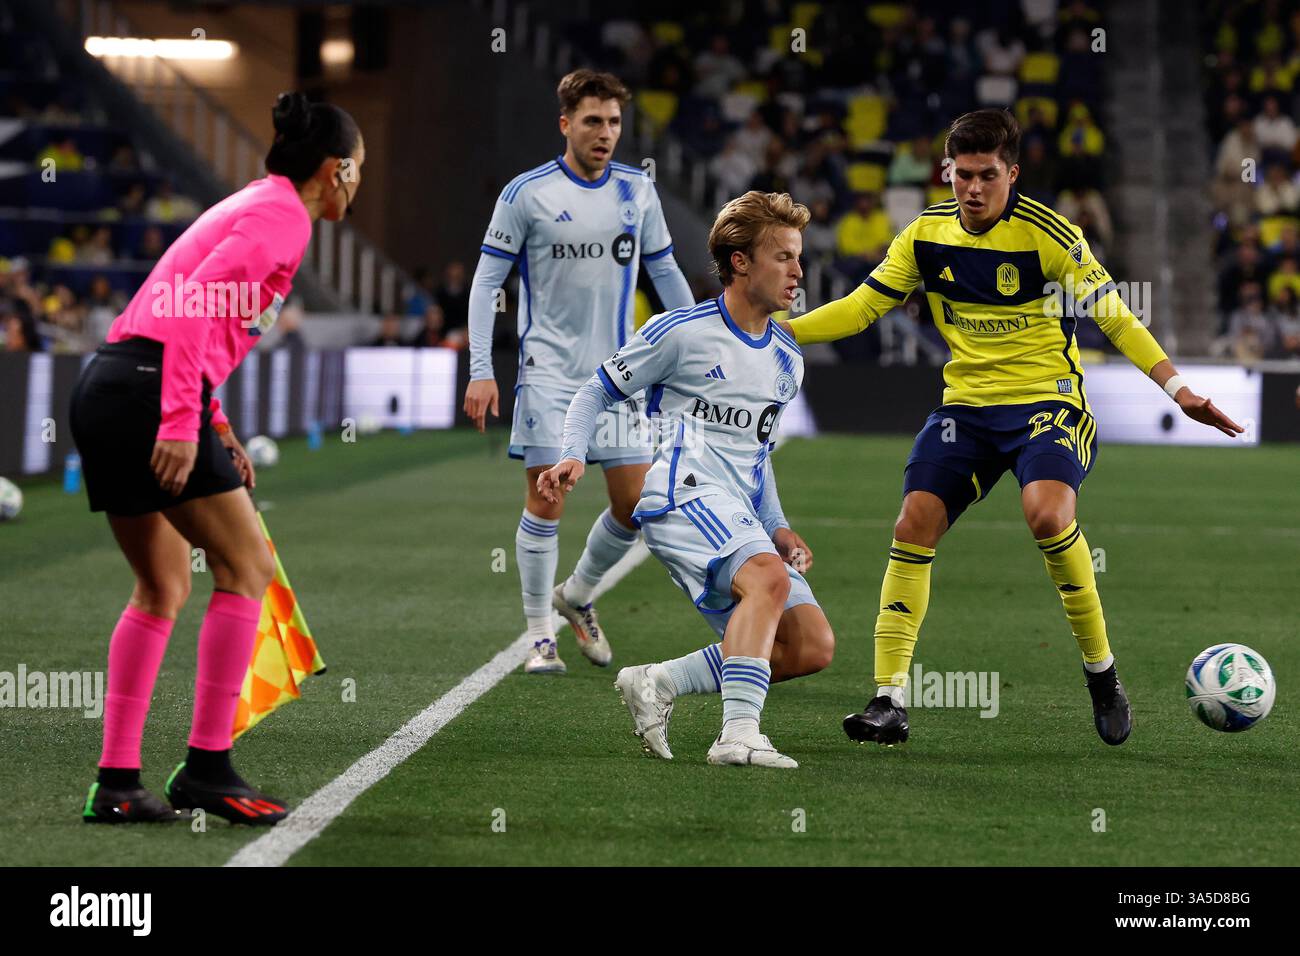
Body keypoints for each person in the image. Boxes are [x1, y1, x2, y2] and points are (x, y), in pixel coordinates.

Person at [779, 109, 1242, 748]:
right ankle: (888, 700)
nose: (971, 189)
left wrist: (1179, 388)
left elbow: (1117, 318)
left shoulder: (1050, 236)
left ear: (1012, 174)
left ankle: (1102, 674)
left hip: (1047, 407)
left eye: (986, 176)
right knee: (913, 521)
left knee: (1047, 516)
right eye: (960, 175)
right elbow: (861, 308)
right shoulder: (923, 236)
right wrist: (775, 329)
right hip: (966, 411)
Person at [69, 92, 364, 825]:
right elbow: (195, 307)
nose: (359, 185)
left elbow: (192, 314)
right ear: (333, 170)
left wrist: (214, 421)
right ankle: (206, 770)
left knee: (162, 586)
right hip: (147, 395)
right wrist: (179, 419)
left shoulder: (256, 205)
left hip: (109, 384)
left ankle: (116, 784)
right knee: (247, 568)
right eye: (358, 170)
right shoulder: (282, 219)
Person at [538, 192, 834, 768]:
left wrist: (779, 525)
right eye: (783, 257)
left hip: (739, 511)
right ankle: (737, 736)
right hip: (681, 493)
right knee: (769, 584)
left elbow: (757, 453)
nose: (798, 271)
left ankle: (658, 681)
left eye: (799, 257)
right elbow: (596, 389)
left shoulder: (786, 357)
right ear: (741, 261)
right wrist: (573, 453)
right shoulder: (680, 331)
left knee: (808, 646)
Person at [463, 69, 694, 674]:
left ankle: (579, 594)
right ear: (565, 124)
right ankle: (541, 633)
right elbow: (488, 281)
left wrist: (699, 340)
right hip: (548, 374)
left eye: (614, 122)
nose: (606, 133)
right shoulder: (526, 193)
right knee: (547, 500)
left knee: (635, 505)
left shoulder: (637, 192)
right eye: (593, 121)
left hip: (618, 377)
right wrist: (481, 367)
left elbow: (665, 271)